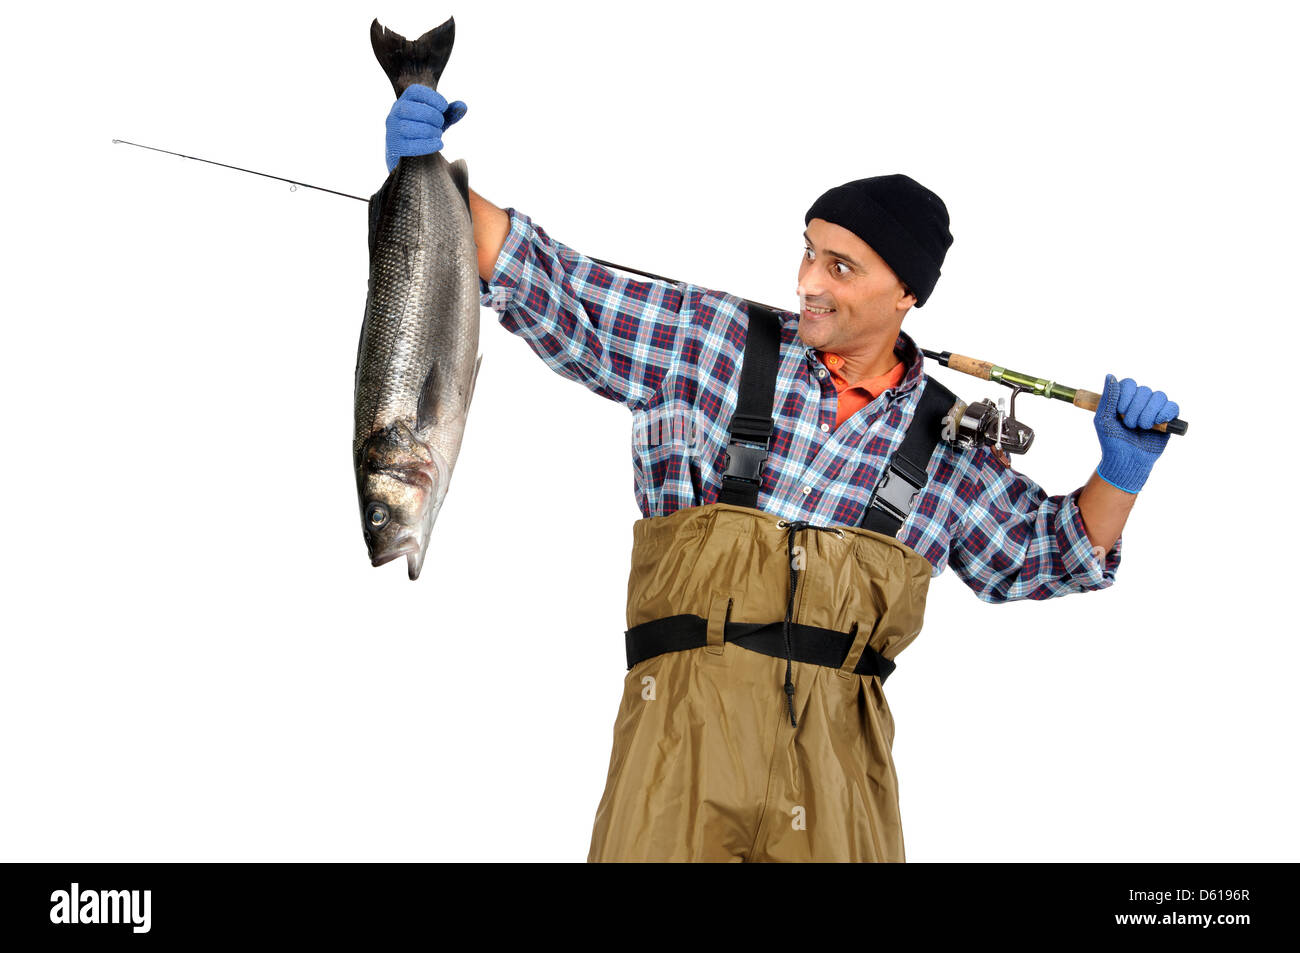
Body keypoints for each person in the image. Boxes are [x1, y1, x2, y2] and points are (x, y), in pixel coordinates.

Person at [384, 86, 1181, 862]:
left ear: (905, 293)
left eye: (841, 267)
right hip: (674, 769)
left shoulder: (947, 444)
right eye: (808, 250)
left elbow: (1052, 553)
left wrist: (1123, 468)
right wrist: (428, 176)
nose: (807, 280)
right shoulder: (711, 343)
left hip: (838, 794)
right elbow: (549, 277)